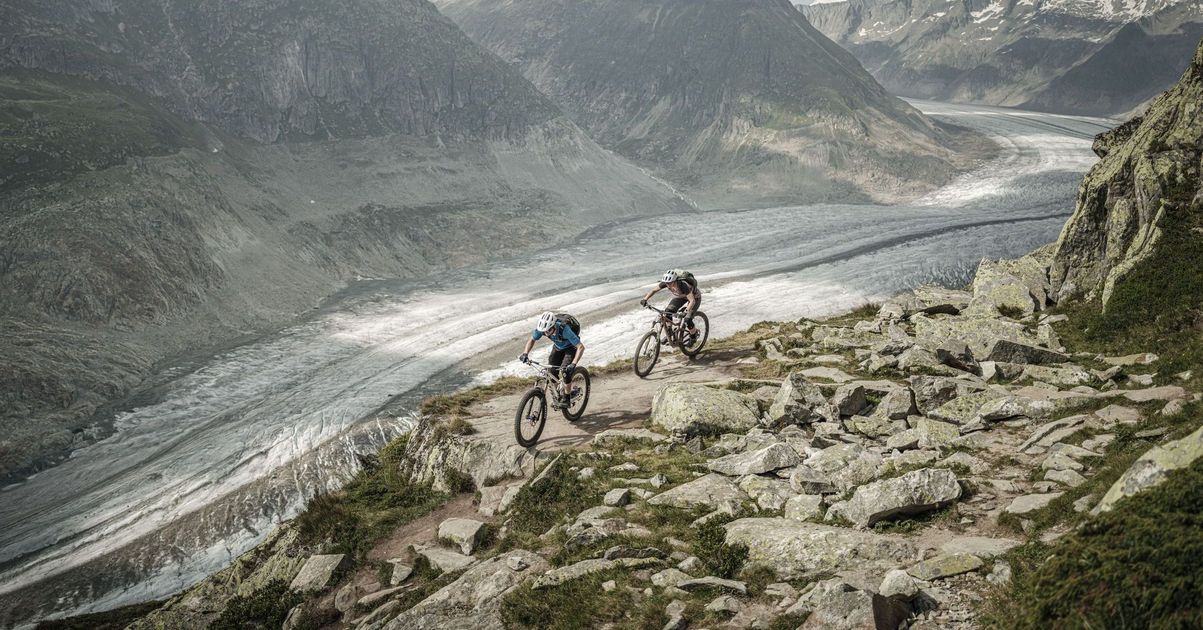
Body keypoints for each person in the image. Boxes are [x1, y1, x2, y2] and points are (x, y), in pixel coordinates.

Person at [519, 311, 585, 408]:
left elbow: (580, 347)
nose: (546, 333)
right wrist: (525, 353)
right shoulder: (543, 329)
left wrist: (573, 364)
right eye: (544, 331)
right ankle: (558, 395)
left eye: (548, 330)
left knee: (565, 371)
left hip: (571, 348)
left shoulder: (565, 330)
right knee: (551, 371)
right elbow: (531, 339)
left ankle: (567, 397)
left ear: (554, 325)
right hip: (558, 347)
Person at [640, 269, 701, 343]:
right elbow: (654, 290)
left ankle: (693, 336)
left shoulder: (683, 285)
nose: (668, 285)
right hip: (681, 296)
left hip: (694, 297)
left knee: (687, 319)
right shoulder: (666, 283)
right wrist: (645, 299)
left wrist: (685, 312)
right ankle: (670, 333)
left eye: (670, 283)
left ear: (675, 281)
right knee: (667, 312)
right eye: (667, 283)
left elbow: (692, 301)